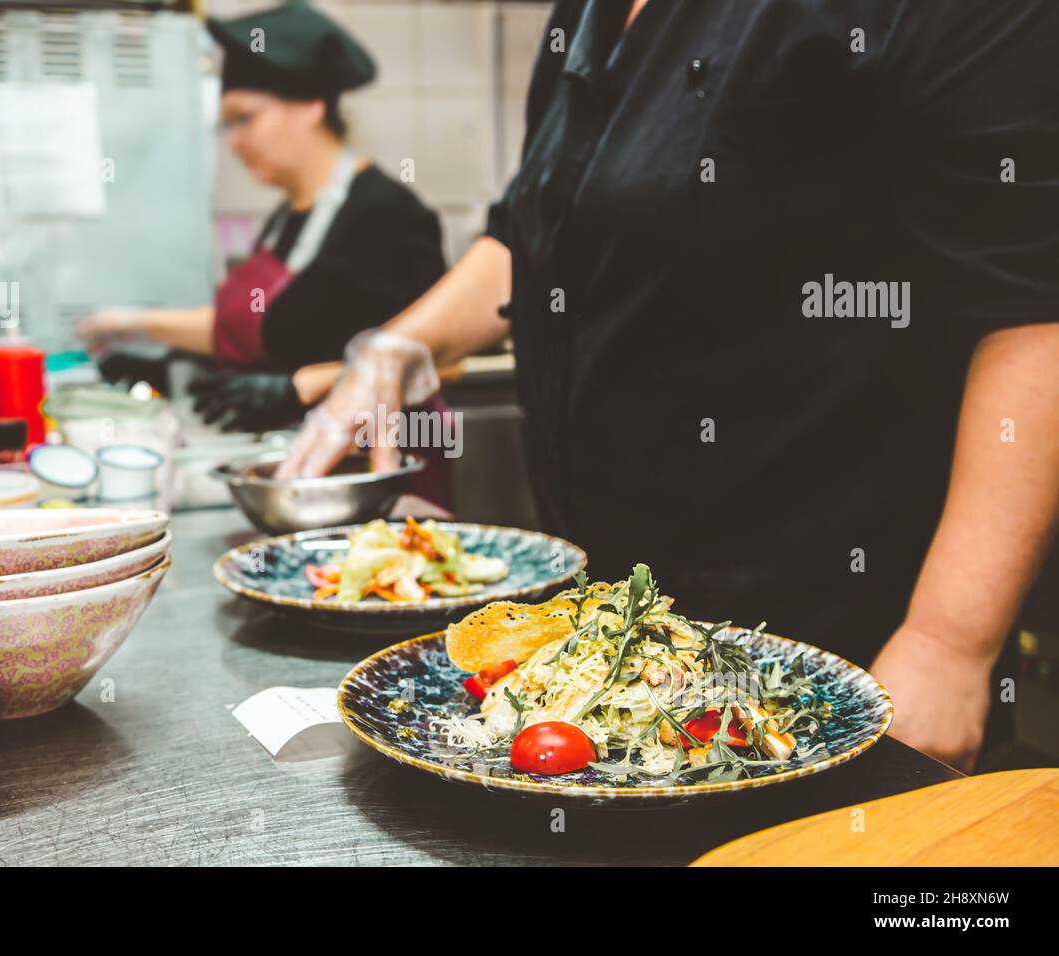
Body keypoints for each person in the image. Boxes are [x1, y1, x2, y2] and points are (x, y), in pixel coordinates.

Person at [279, 0, 1059, 772]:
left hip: (835, 646)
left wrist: (948, 643)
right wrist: (403, 343)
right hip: (623, 648)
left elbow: (1035, 304)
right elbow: (535, 230)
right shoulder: (584, 14)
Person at [76, 2, 445, 432]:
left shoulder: (386, 216)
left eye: (245, 119)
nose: (235, 142)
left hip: (384, 460)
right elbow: (256, 333)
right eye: (227, 125)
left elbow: (440, 354)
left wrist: (300, 387)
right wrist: (149, 342)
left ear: (311, 104)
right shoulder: (286, 219)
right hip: (298, 453)